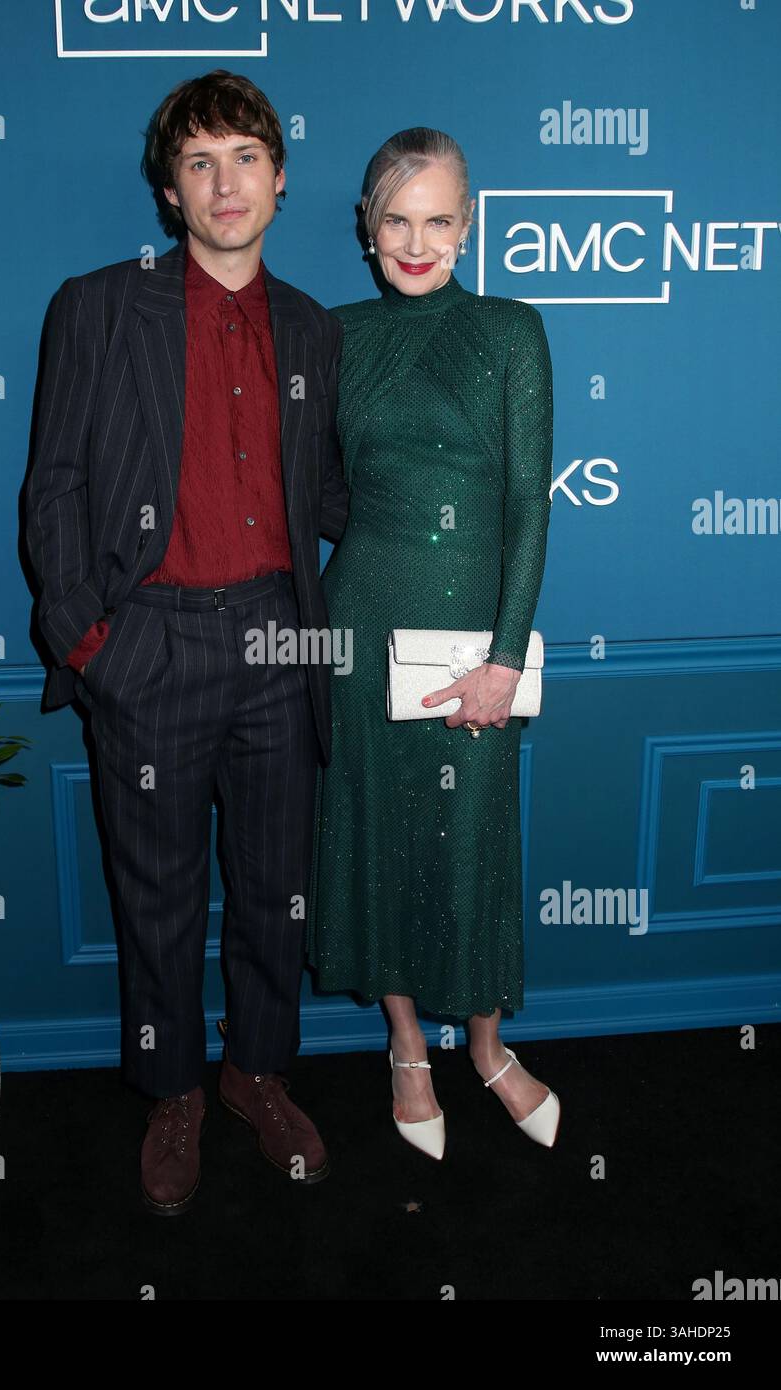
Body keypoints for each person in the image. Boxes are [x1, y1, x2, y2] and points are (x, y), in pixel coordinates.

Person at [24, 69, 349, 1214]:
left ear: (279, 178)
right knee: (154, 896)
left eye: (245, 158)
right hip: (147, 645)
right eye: (200, 162)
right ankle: (173, 1092)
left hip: (277, 640)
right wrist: (91, 642)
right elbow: (53, 486)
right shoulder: (99, 306)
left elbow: (336, 501)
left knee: (275, 889)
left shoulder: (312, 325)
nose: (225, 182)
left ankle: (255, 1071)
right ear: (170, 189)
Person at [307, 127, 559, 1160]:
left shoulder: (510, 330)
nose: (417, 242)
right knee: (377, 832)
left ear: (468, 225)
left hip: (475, 634)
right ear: (367, 229)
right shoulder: (331, 334)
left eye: (438, 220)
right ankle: (408, 1042)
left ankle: (489, 1046)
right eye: (396, 220)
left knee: (473, 839)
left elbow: (526, 507)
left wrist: (505, 655)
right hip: (361, 620)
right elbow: (313, 495)